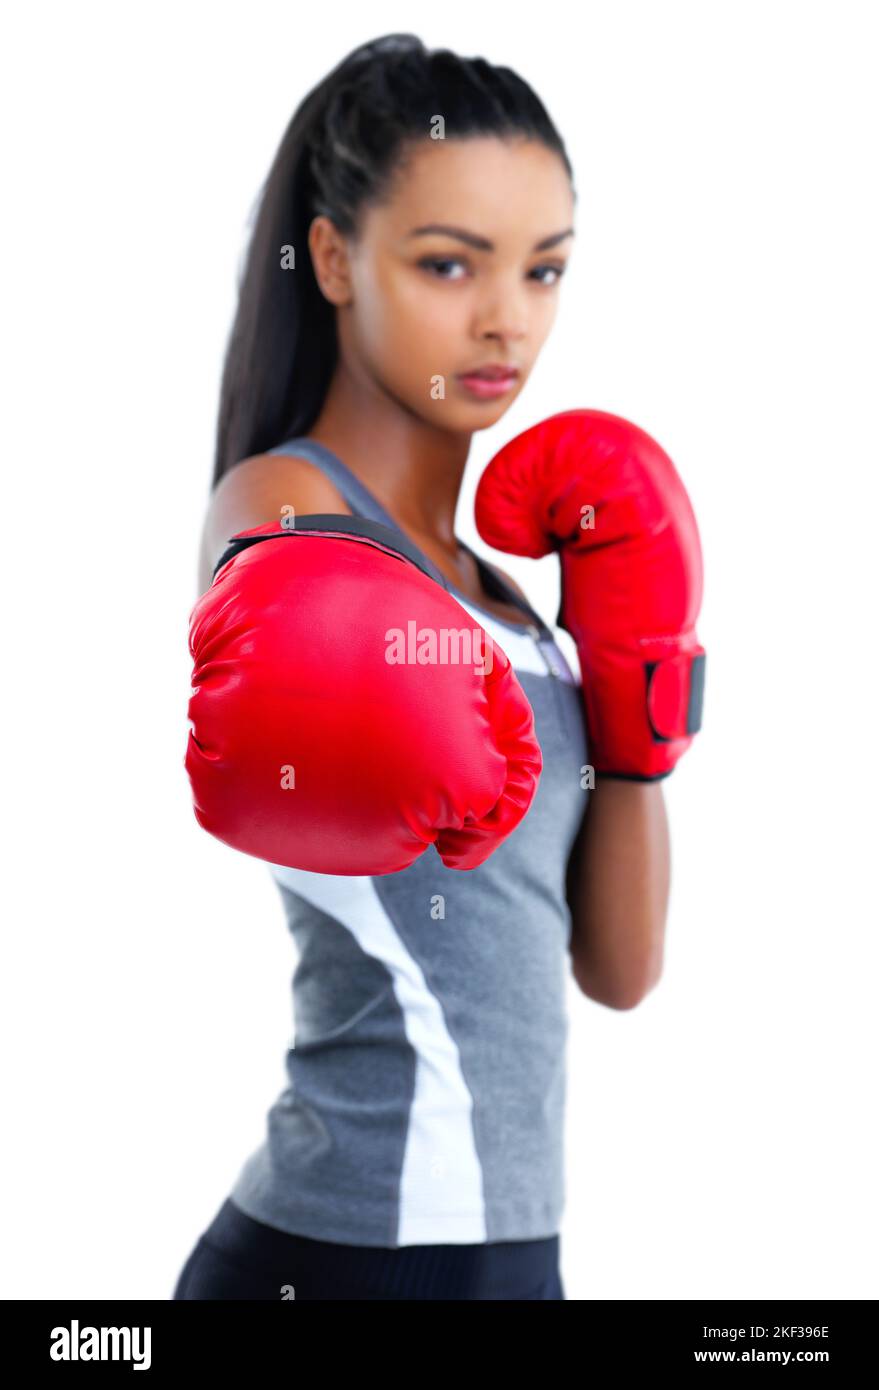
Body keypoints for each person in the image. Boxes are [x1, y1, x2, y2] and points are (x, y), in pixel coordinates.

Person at [174, 32, 704, 1301]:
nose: (505, 318)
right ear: (340, 260)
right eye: (449, 263)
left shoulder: (507, 595)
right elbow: (282, 709)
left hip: (516, 1252)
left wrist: (640, 696)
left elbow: (618, 972)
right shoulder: (289, 507)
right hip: (336, 1250)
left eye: (545, 269)